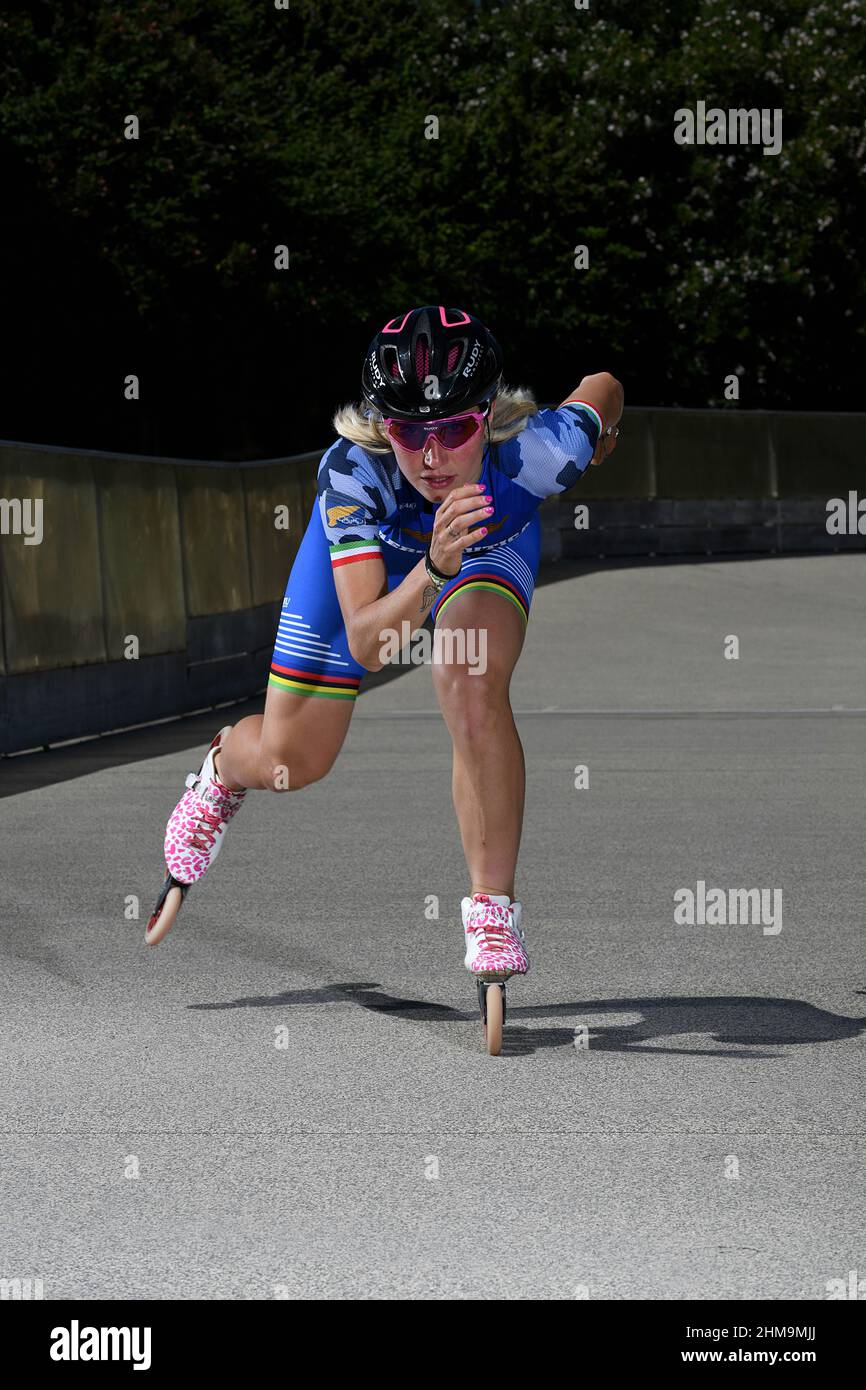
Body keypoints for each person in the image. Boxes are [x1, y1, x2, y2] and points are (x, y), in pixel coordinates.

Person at [159, 305, 622, 977]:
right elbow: (372, 644)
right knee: (298, 758)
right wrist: (431, 567)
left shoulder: (541, 453)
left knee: (467, 676)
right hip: (384, 567)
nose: (432, 458)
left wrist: (605, 426)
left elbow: (603, 383)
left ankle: (491, 907)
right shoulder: (353, 471)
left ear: (488, 415)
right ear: (381, 424)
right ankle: (226, 767)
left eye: (456, 429)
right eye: (408, 431)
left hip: (483, 546)